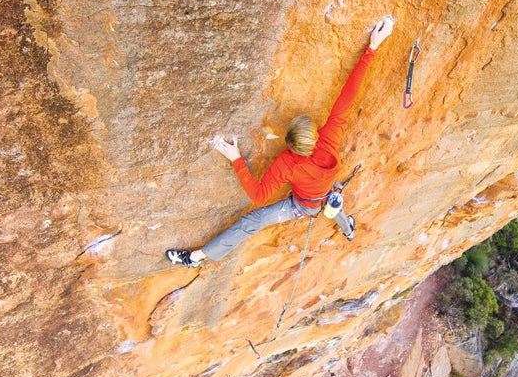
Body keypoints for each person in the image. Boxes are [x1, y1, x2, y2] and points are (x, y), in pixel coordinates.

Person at [165, 15, 395, 268]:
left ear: (292, 145)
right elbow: (347, 97)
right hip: (325, 192)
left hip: (303, 206)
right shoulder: (329, 137)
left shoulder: (289, 163)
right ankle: (348, 228)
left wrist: (237, 160)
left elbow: (259, 195)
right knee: (333, 204)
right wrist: (371, 48)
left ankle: (194, 259)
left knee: (250, 223)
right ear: (314, 135)